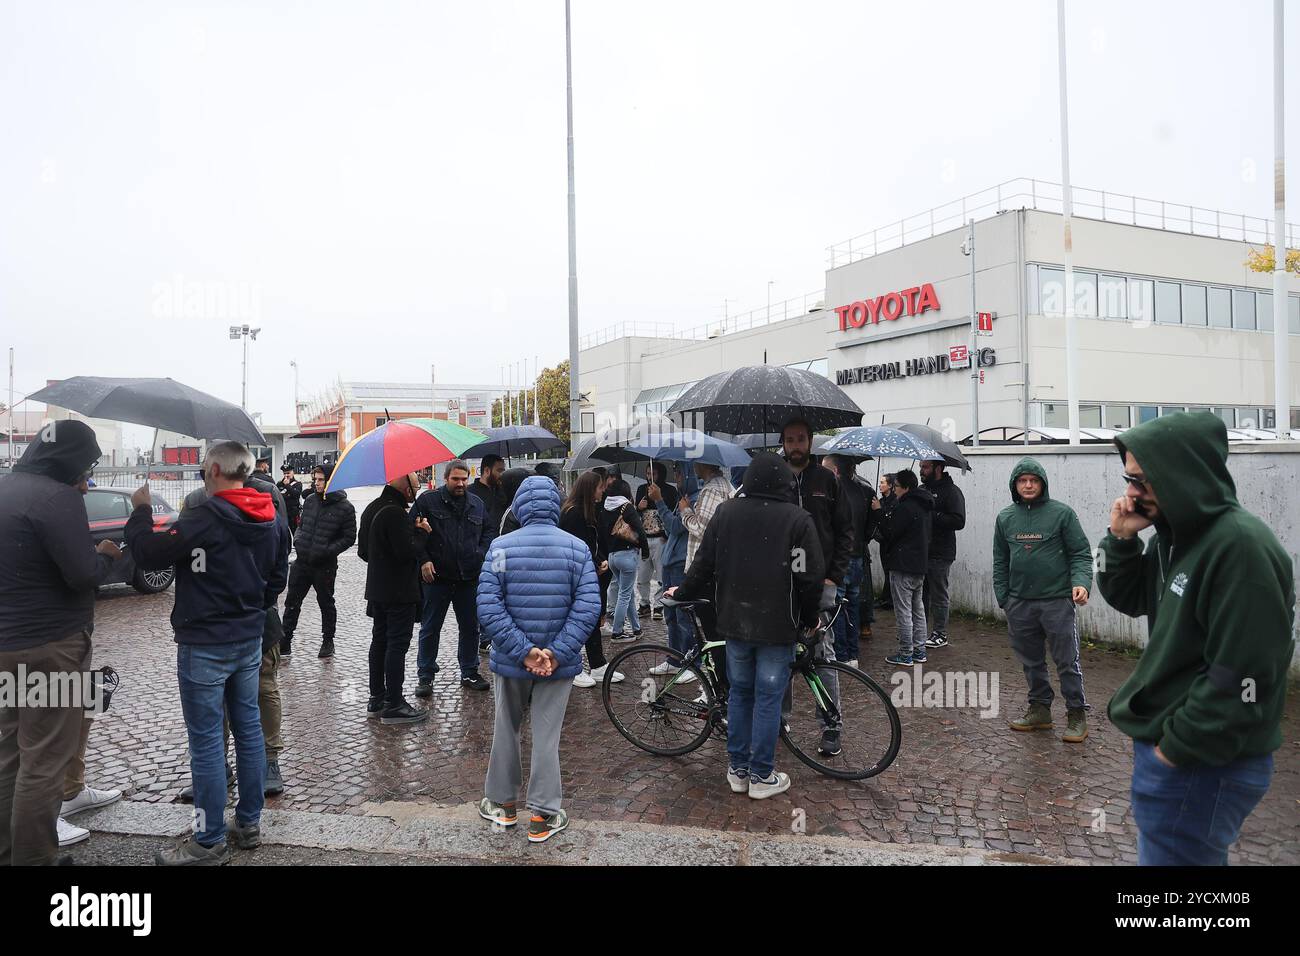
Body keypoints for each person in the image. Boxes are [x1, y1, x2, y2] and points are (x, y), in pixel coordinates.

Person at [1097, 413, 1294, 865]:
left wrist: (1175, 751)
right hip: (1179, 750)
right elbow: (1128, 597)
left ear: (1182, 475)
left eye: (1143, 481)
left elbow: (1246, 674)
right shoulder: (1171, 538)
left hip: (1201, 760)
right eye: (1128, 478)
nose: (1130, 493)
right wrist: (1118, 540)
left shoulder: (1239, 547)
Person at [127, 441, 290, 865]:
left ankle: (208, 838)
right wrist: (250, 606)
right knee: (249, 730)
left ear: (216, 469)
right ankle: (249, 823)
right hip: (249, 637)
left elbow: (149, 553)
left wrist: (141, 509)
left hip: (204, 642)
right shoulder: (269, 514)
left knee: (206, 743)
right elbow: (278, 577)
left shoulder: (203, 517)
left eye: (203, 468)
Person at [0, 421, 124, 865]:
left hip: (6, 646)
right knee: (46, 760)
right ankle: (35, 860)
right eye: (87, 467)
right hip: (51, 647)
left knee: (10, 754)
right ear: (71, 461)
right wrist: (108, 555)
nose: (87, 478)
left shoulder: (6, 488)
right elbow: (83, 576)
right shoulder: (60, 499)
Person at [669, 453, 823, 799]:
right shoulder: (797, 520)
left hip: (734, 622)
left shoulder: (727, 514)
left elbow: (703, 563)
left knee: (740, 693)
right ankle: (761, 775)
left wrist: (684, 591)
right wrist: (811, 616)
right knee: (768, 698)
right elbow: (807, 577)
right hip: (778, 625)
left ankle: (737, 771)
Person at [478, 476, 601, 843]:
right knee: (546, 736)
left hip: (512, 660)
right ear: (556, 507)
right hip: (558, 663)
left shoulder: (501, 547)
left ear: (519, 507)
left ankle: (503, 805)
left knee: (506, 728)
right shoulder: (577, 549)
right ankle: (544, 816)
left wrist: (522, 650)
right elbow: (589, 606)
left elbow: (488, 605)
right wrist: (556, 652)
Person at [992, 458, 1093, 742]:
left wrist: (1081, 583)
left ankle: (1076, 715)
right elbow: (1000, 560)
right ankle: (1040, 711)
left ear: (1042, 484)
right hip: (1020, 604)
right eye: (1022, 480)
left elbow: (1081, 554)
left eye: (1033, 480)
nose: (1027, 485)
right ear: (1015, 485)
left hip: (1057, 602)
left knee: (1066, 662)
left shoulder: (1062, 514)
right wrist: (1004, 598)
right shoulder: (1005, 518)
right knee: (1031, 661)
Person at [412, 459, 493, 695]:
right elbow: (414, 533)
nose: (460, 483)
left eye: (464, 479)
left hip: (468, 577)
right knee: (430, 627)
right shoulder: (427, 502)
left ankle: (469, 671)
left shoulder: (476, 504)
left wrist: (481, 552)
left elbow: (488, 531)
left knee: (470, 627)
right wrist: (423, 559)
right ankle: (425, 675)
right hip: (437, 578)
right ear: (445, 478)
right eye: (455, 479)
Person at [358, 472, 431, 725]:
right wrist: (421, 533)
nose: (416, 491)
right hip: (398, 591)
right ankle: (394, 703)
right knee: (396, 644)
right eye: (415, 485)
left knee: (379, 641)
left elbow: (363, 551)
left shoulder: (372, 508)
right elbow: (407, 552)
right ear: (406, 487)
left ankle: (377, 698)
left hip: (378, 589)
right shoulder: (396, 513)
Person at [280, 464, 356, 660]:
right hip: (302, 561)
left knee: (326, 602)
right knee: (292, 602)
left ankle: (328, 640)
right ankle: (285, 640)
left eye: (320, 480)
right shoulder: (311, 500)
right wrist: (298, 540)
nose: (316, 483)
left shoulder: (345, 507)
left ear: (330, 480)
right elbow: (301, 524)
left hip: (325, 565)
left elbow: (349, 537)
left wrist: (327, 551)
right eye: (315, 479)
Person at [559, 471, 623, 688]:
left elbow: (593, 543)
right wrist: (597, 563)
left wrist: (601, 561)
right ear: (589, 489)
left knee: (592, 618)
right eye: (599, 487)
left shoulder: (589, 511)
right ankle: (572, 665)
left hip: (588, 573)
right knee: (576, 620)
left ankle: (597, 664)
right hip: (577, 576)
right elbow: (578, 546)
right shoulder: (572, 513)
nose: (603, 491)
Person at [874, 468, 933, 666]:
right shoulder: (924, 506)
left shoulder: (905, 507)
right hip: (919, 565)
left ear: (906, 488)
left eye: (897, 486)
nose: (894, 489)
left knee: (904, 611)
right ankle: (919, 650)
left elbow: (890, 532)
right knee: (918, 609)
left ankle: (906, 653)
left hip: (902, 565)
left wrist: (879, 513)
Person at [676, 461, 734, 652]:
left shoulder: (710, 490)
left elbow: (702, 529)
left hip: (706, 572)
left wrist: (685, 511)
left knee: (712, 634)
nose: (693, 467)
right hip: (720, 567)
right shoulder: (726, 485)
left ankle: (720, 679)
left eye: (696, 463)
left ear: (704, 464)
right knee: (720, 632)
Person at [823, 454, 868, 667]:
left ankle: (841, 654)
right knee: (852, 605)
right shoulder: (862, 490)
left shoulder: (835, 492)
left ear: (835, 471)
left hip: (841, 558)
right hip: (858, 554)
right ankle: (853, 653)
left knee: (838, 606)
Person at [646, 465, 691, 668]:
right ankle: (674, 659)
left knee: (682, 616)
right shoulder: (683, 497)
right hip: (671, 562)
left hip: (681, 564)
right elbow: (670, 525)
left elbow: (675, 527)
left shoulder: (692, 500)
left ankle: (689, 662)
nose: (676, 476)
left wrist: (659, 501)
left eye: (679, 472)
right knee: (670, 615)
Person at [921, 460, 966, 650]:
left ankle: (940, 633)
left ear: (938, 469)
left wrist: (934, 515)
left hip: (941, 552)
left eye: (926, 467)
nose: (921, 470)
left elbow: (959, 520)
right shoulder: (921, 489)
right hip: (921, 551)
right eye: (921, 466)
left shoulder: (952, 491)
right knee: (920, 594)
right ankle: (919, 631)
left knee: (939, 594)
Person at [600, 478, 648, 640]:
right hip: (627, 554)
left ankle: (636, 628)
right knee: (625, 595)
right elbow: (640, 531)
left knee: (627, 594)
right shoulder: (627, 507)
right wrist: (645, 550)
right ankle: (617, 632)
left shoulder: (605, 508)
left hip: (612, 557)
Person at [635, 462, 679, 621]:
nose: (650, 477)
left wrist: (666, 535)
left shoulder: (669, 491)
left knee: (661, 575)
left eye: (653, 474)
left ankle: (659, 605)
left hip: (661, 538)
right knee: (642, 576)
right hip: (645, 539)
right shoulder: (642, 490)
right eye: (648, 474)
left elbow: (673, 513)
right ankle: (644, 604)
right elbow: (634, 515)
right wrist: (639, 507)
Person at [468, 454, 508, 539]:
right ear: (487, 471)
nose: (502, 474)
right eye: (499, 470)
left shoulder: (503, 491)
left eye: (503, 471)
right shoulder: (470, 493)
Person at [874, 473, 897, 610]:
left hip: (892, 543)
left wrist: (879, 510)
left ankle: (889, 599)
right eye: (880, 482)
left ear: (890, 485)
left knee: (891, 570)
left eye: (883, 482)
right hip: (883, 542)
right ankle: (886, 597)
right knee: (886, 570)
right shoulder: (881, 501)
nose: (880, 485)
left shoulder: (895, 502)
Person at [278, 464, 302, 532]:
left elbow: (296, 495)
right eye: (284, 473)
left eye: (288, 473)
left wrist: (287, 486)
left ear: (292, 472)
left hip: (292, 515)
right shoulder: (279, 484)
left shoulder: (298, 484)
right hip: (282, 513)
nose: (286, 475)